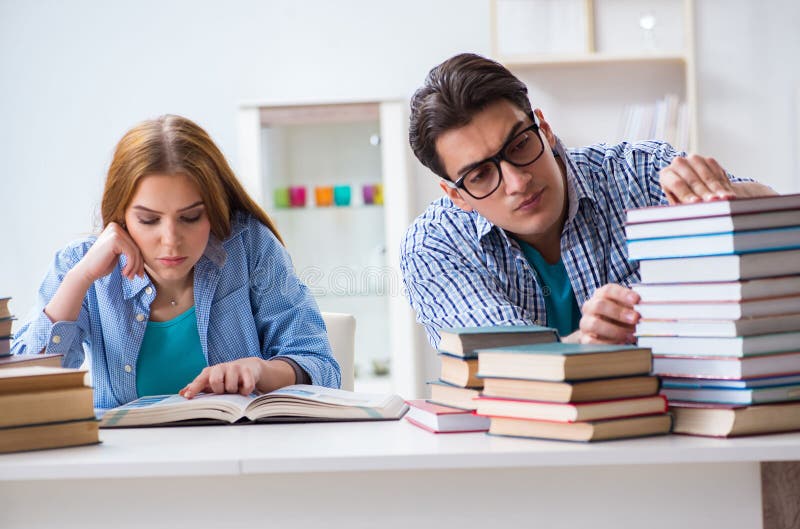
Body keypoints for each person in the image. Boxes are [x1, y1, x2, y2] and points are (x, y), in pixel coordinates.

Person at [401, 53, 776, 350]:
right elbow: (496, 363)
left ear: (544, 129)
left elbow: (775, 216)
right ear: (456, 195)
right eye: (481, 175)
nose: (517, 182)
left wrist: (723, 198)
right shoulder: (435, 245)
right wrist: (587, 347)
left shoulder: (639, 171)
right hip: (517, 440)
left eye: (520, 145)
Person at [12, 115, 340, 409]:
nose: (170, 240)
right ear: (121, 216)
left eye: (191, 217)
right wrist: (79, 278)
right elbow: (20, 394)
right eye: (149, 220)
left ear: (214, 209)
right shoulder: (78, 263)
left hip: (239, 460)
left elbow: (321, 368)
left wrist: (260, 369)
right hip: (127, 469)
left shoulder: (249, 247)